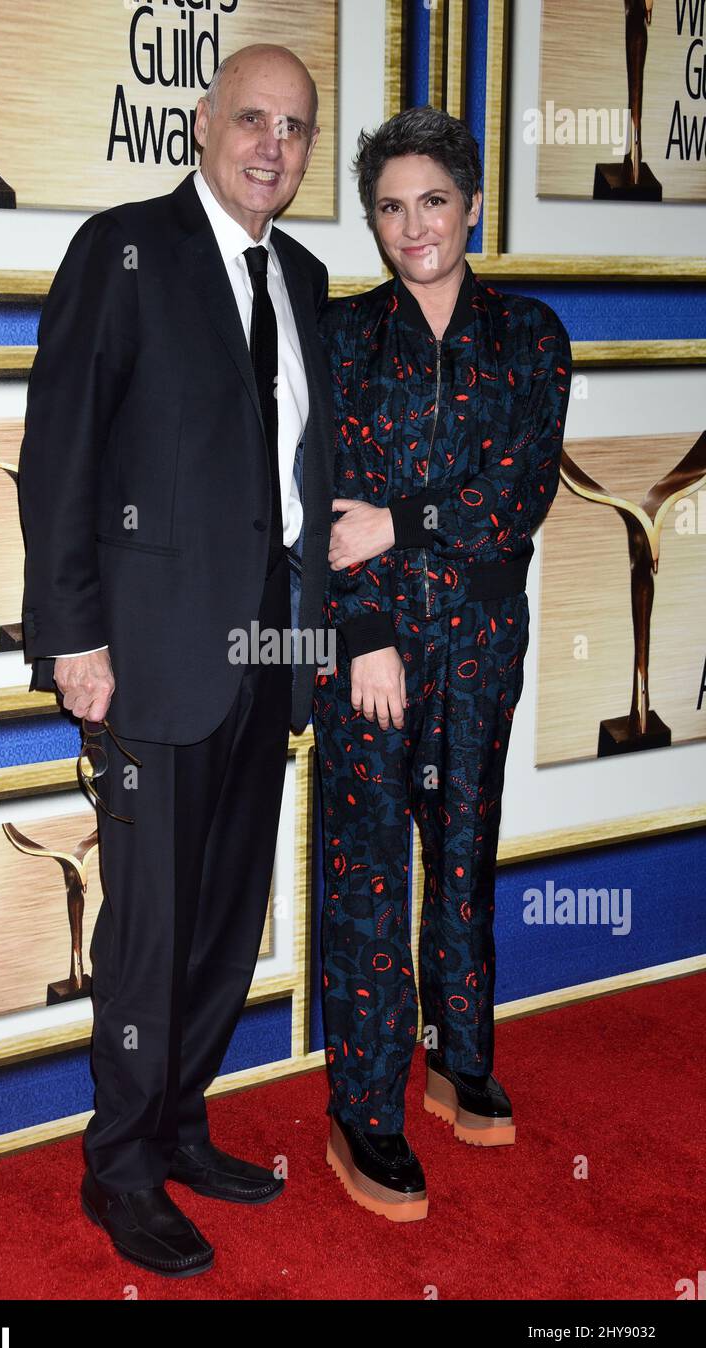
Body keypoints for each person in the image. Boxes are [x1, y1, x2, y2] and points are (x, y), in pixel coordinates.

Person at [17, 44, 334, 1278]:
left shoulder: (300, 276)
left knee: (223, 911)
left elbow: (296, 480)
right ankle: (121, 1166)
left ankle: (182, 1120)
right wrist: (75, 637)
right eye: (251, 118)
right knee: (147, 925)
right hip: (148, 653)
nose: (272, 144)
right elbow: (61, 455)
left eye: (295, 128)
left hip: (269, 646)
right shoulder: (123, 249)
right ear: (201, 125)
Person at [313, 106, 572, 1221]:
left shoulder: (531, 335)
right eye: (387, 205)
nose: (410, 225)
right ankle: (363, 1105)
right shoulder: (336, 337)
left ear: (471, 206)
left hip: (480, 640)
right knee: (364, 874)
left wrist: (399, 521)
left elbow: (513, 498)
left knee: (462, 854)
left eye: (430, 200)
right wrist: (363, 629)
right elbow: (325, 510)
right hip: (370, 646)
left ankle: (456, 1054)